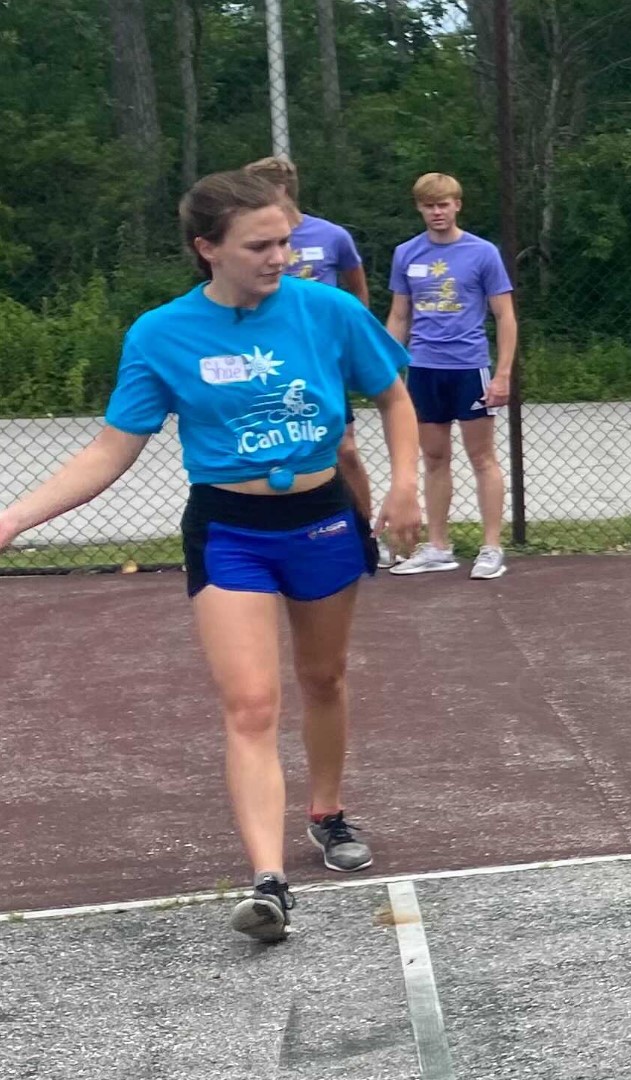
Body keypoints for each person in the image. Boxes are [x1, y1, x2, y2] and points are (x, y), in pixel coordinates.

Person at [0, 170, 422, 942]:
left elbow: (394, 394)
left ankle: (326, 812)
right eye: (260, 245)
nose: (281, 257)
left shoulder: (327, 310)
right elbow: (109, 449)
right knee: (251, 704)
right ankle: (269, 883)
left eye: (286, 241)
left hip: (324, 520)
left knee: (323, 677)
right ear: (207, 249)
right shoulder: (160, 335)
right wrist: (13, 518)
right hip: (230, 530)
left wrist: (402, 488)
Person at [240, 155, 395, 569]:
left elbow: (357, 295)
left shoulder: (331, 235)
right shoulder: (246, 241)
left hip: (320, 363)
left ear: (280, 190)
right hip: (268, 361)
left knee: (343, 449)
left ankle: (363, 535)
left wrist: (349, 347)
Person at [383, 172, 517, 580]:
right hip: (423, 368)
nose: (436, 212)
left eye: (443, 204)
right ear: (419, 208)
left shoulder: (482, 253)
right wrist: (389, 368)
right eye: (429, 205)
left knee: (482, 457)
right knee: (434, 457)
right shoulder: (406, 253)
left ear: (457, 205)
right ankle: (439, 546)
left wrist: (503, 374)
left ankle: (491, 547)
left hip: (469, 367)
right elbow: (400, 314)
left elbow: (505, 315)